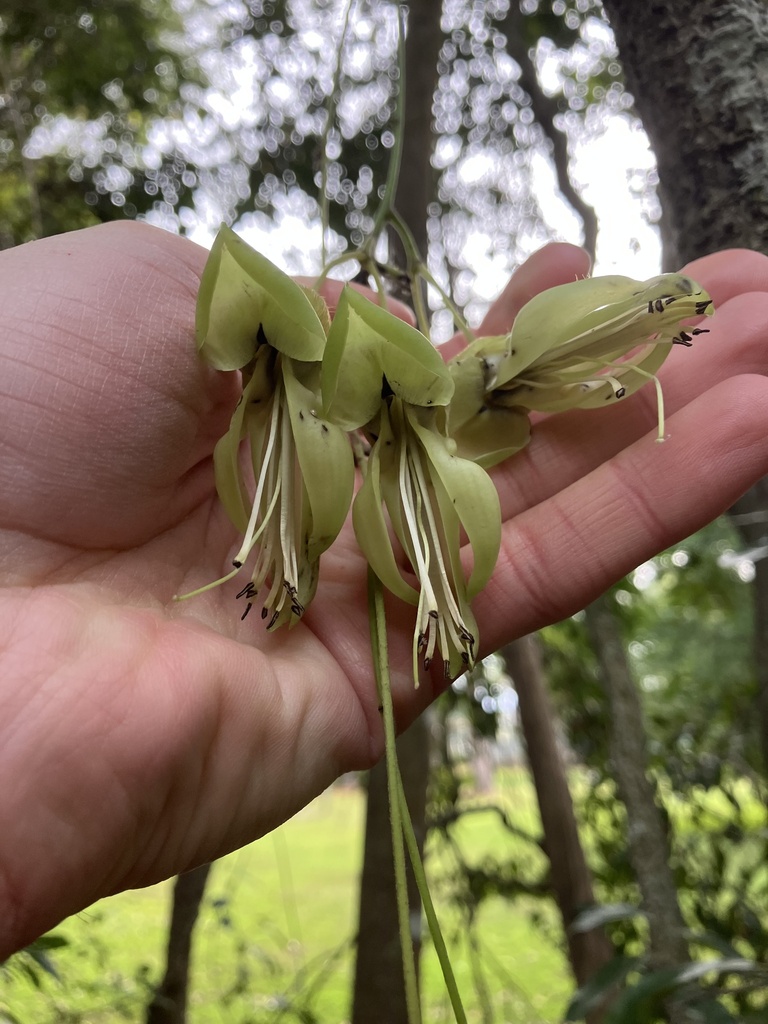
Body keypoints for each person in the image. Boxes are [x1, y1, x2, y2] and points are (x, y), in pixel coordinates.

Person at [1, 221, 767, 961]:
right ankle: (302, 566)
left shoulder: (382, 449)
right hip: (371, 421)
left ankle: (321, 567)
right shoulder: (300, 434)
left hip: (444, 410)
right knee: (321, 520)